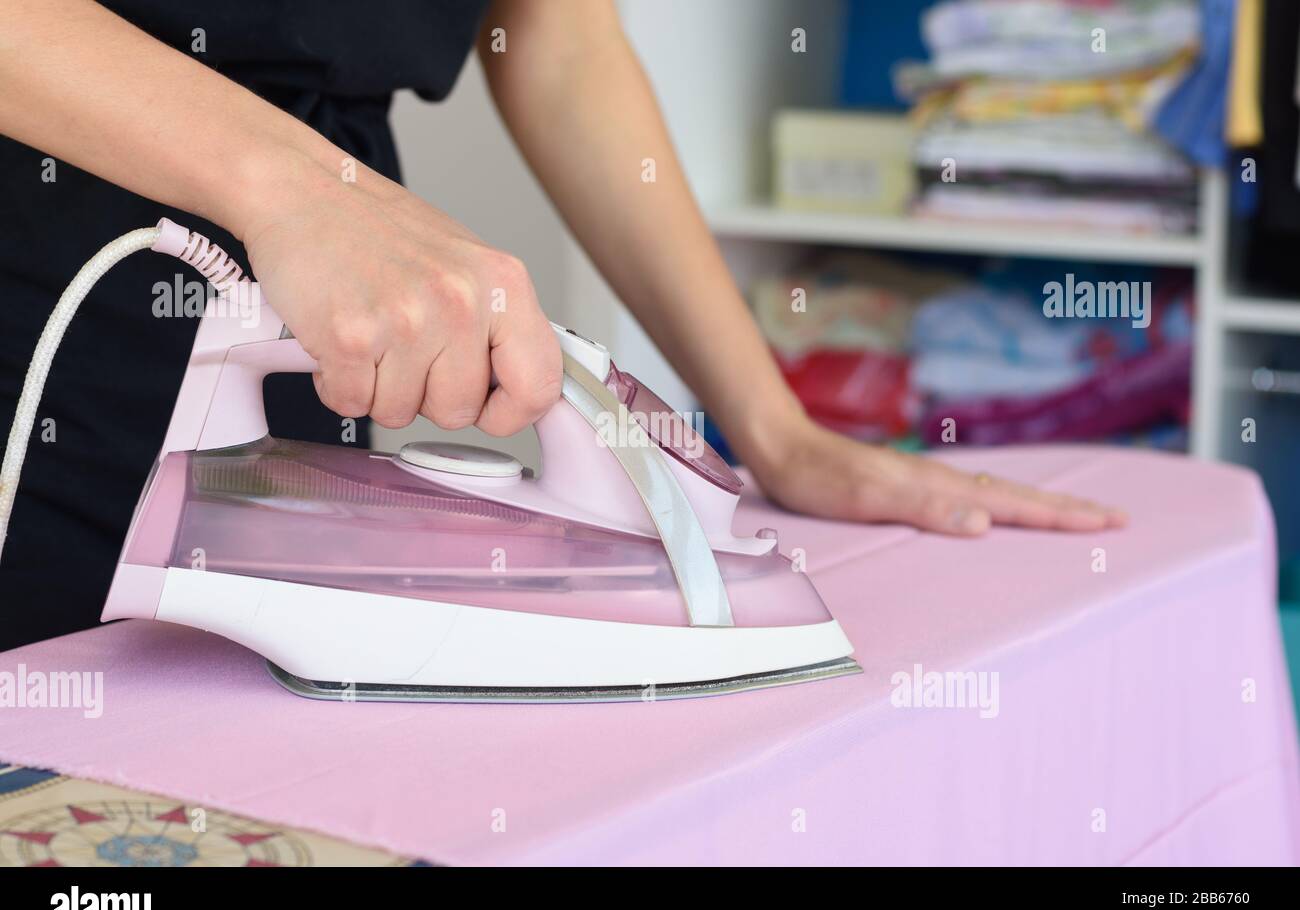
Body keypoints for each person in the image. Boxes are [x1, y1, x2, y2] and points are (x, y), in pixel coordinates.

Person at [0, 0, 1123, 649]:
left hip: (337, 317)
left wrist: (772, 429)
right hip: (49, 266)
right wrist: (302, 195)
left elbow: (557, 37)